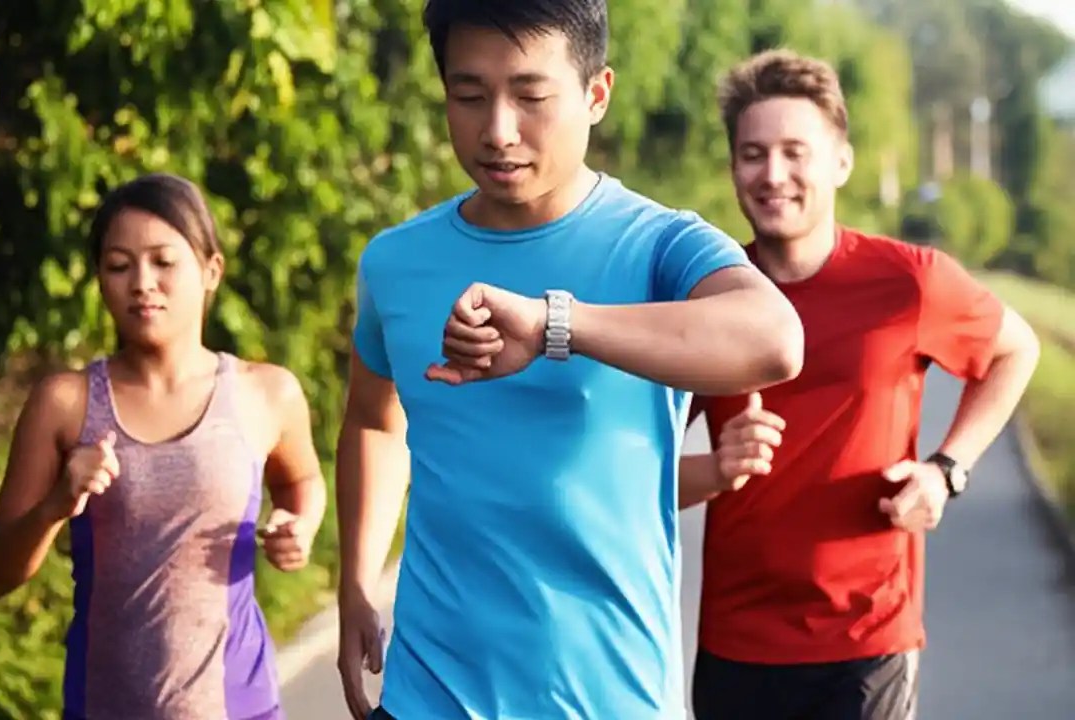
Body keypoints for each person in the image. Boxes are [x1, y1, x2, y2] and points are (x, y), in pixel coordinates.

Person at [333, 2, 807, 718]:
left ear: (596, 94)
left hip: (609, 698)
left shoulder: (659, 246)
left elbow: (775, 340)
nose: (497, 130)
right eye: (469, 95)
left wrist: (559, 325)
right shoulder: (395, 262)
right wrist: (357, 580)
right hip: (428, 693)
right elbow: (374, 421)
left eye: (531, 96)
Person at [681, 50, 1041, 720]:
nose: (773, 174)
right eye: (752, 153)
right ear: (732, 166)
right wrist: (713, 468)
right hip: (737, 643)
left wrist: (945, 470)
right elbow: (632, 475)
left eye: (796, 151)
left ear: (840, 162)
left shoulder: (909, 282)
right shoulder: (706, 297)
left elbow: (1016, 350)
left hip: (867, 639)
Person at [0, 173, 326, 720]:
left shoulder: (266, 394)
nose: (143, 282)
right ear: (100, 279)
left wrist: (299, 526)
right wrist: (55, 506)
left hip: (240, 706)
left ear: (211, 271)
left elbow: (302, 481)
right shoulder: (65, 404)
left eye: (164, 262)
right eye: (119, 265)